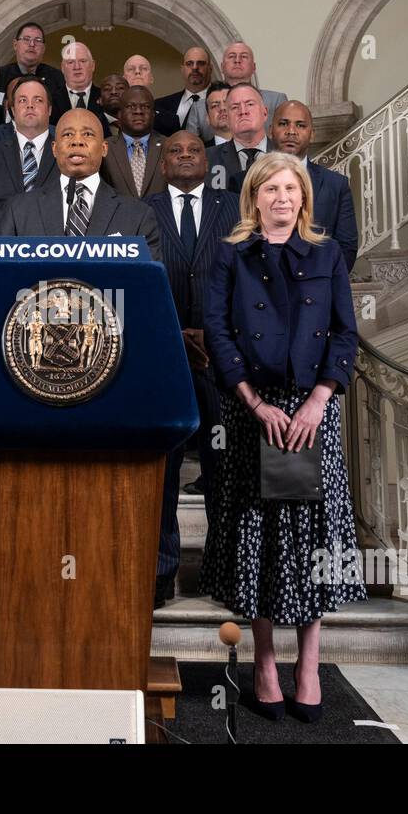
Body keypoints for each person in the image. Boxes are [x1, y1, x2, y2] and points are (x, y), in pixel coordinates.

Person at [201, 151, 364, 723]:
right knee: (263, 540)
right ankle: (265, 662)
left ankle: (310, 664)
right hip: (254, 412)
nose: (280, 198)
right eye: (269, 188)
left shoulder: (327, 252)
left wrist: (320, 398)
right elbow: (218, 334)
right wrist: (251, 401)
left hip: (312, 410)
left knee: (312, 539)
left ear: (303, 198)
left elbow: (345, 333)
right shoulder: (230, 255)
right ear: (254, 197)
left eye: (290, 189)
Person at [143, 132, 239, 608]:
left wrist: (216, 334)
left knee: (225, 469)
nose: (184, 156)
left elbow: (248, 278)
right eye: (174, 152)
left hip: (223, 359)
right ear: (162, 165)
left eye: (193, 150)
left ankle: (224, 570)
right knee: (164, 472)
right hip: (165, 356)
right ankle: (162, 572)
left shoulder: (237, 206)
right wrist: (174, 331)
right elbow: (139, 282)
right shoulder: (143, 209)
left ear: (208, 160)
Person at [0, 108, 162, 260]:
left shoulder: (138, 215)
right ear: (54, 149)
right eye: (67, 135)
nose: (77, 142)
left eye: (88, 134)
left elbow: (147, 285)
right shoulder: (19, 209)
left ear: (104, 148)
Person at [270, 100, 359, 270]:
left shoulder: (336, 185)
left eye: (300, 125)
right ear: (271, 130)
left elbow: (346, 248)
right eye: (283, 123)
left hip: (318, 290)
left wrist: (319, 284)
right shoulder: (247, 181)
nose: (291, 131)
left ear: (312, 134)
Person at [0, 75, 57, 234]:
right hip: (1, 247)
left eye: (38, 100)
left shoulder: (67, 154)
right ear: (13, 110)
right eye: (22, 100)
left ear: (49, 109)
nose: (30, 106)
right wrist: (12, 226)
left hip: (55, 247)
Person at [0, 21, 68, 123]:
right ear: (15, 45)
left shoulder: (58, 78)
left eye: (37, 40)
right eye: (26, 39)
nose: (32, 44)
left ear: (43, 48)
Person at [100, 85, 166, 199]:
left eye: (145, 106)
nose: (138, 111)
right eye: (131, 106)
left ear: (153, 114)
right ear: (119, 114)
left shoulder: (169, 146)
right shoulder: (104, 148)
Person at [206, 83, 270, 194]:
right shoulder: (207, 159)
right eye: (235, 107)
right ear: (228, 118)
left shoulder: (288, 156)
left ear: (265, 112)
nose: (243, 111)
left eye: (250, 104)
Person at [156, 47, 215, 143]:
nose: (195, 68)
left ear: (210, 68)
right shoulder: (160, 105)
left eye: (201, 63)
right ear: (182, 69)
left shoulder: (223, 103)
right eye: (189, 64)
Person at [221, 41, 286, 126]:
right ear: (222, 67)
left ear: (254, 67)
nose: (237, 60)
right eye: (231, 56)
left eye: (244, 56)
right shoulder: (201, 107)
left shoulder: (276, 101)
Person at [56, 40, 110, 134]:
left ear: (93, 65)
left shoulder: (106, 98)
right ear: (62, 67)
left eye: (83, 61)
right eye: (70, 62)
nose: (77, 67)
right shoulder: (51, 99)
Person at [205, 81, 233, 146]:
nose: (222, 108)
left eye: (227, 103)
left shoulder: (257, 145)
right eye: (215, 105)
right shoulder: (202, 153)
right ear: (207, 118)